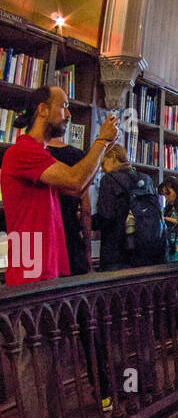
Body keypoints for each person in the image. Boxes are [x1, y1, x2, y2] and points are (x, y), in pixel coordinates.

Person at [0, 85, 118, 284]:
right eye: (64, 106)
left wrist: (104, 148)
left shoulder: (40, 153)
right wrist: (102, 141)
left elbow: (77, 189)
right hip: (31, 267)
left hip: (44, 263)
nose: (69, 114)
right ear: (43, 110)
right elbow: (75, 178)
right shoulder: (23, 151)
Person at [95, 144, 168, 269]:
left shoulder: (108, 180)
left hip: (118, 255)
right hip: (148, 254)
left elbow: (106, 216)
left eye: (102, 163)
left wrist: (83, 221)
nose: (102, 169)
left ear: (112, 157)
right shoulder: (146, 179)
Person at [46, 134, 90, 274]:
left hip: (41, 235)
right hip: (70, 232)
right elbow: (86, 209)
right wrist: (87, 247)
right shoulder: (78, 156)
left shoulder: (40, 153)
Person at [159, 175, 178, 262]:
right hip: (168, 252)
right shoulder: (164, 210)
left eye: (168, 193)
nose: (166, 197)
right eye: (164, 194)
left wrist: (175, 223)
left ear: (177, 191)